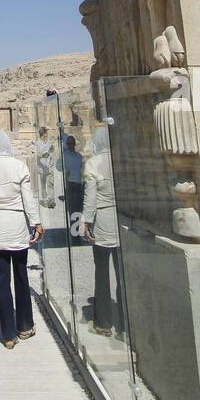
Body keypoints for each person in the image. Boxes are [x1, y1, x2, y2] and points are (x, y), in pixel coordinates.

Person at [0, 131, 43, 348]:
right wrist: (36, 222)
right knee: (21, 277)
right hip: (16, 227)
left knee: (2, 281)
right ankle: (25, 326)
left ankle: (8, 335)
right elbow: (28, 198)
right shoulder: (19, 166)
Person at [82, 125, 120, 336]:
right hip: (122, 220)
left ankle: (104, 323)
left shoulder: (93, 164)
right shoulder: (120, 161)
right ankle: (124, 324)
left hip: (103, 221)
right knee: (122, 274)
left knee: (103, 273)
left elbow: (91, 197)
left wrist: (86, 221)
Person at [62, 135, 84, 219]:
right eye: (69, 143)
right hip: (70, 183)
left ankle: (77, 227)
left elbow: (81, 169)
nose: (70, 145)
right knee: (71, 209)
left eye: (72, 143)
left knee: (78, 208)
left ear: (74, 144)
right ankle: (73, 228)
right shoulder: (65, 155)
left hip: (78, 184)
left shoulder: (79, 156)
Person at [35, 126, 56, 208]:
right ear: (43, 134)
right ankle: (45, 200)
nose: (47, 134)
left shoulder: (49, 142)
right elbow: (37, 154)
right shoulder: (37, 143)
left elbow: (52, 150)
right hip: (42, 168)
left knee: (51, 184)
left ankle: (51, 201)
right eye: (46, 132)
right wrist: (43, 155)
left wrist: (52, 149)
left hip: (49, 166)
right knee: (43, 185)